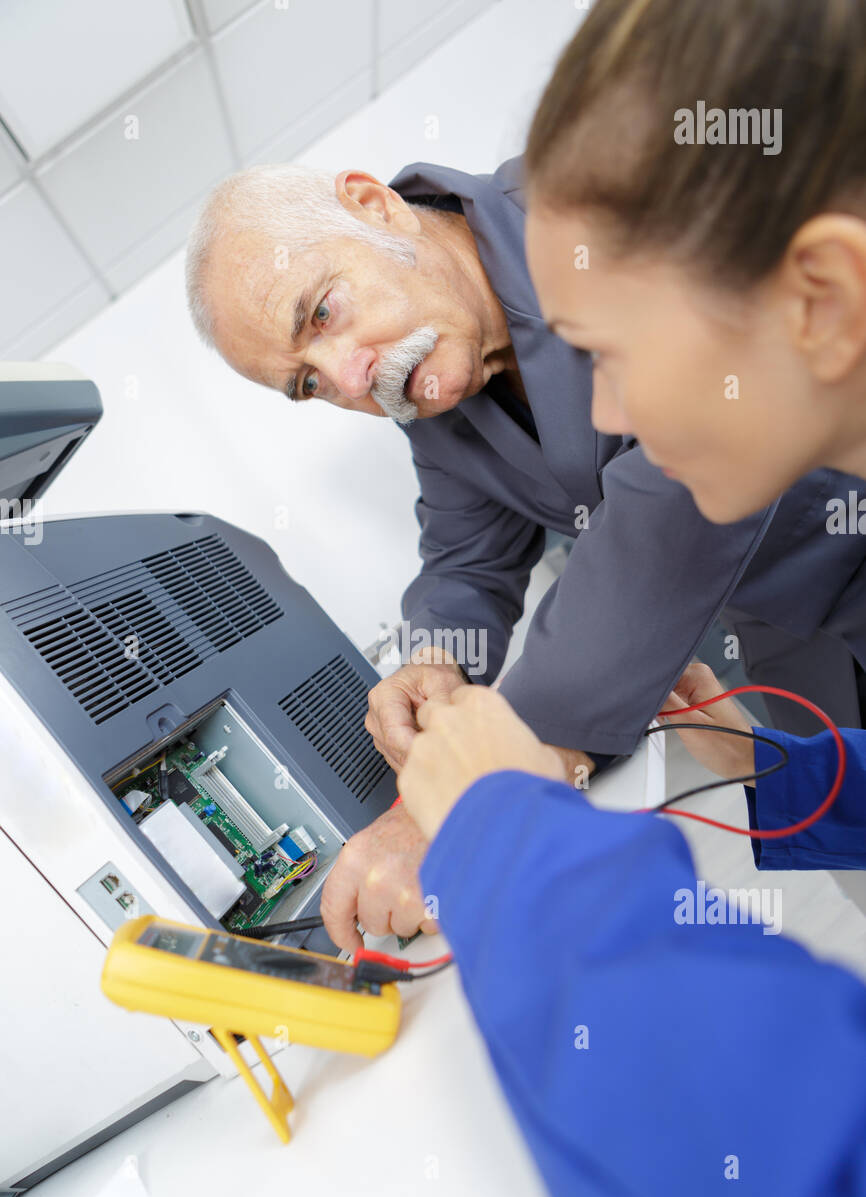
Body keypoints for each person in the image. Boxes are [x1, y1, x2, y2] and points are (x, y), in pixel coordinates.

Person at [396, 0, 866, 1197]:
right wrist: (773, 776)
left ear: (820, 297)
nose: (604, 417)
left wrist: (496, 829)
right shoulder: (441, 408)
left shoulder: (578, 222)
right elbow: (462, 561)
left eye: (603, 356)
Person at [184, 156, 866, 949]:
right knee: (829, 803)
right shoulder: (436, 389)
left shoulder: (601, 205)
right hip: (797, 621)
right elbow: (467, 551)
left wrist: (469, 789)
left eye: (324, 314)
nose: (351, 377)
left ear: (374, 206)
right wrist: (436, 656)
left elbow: (671, 498)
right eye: (309, 385)